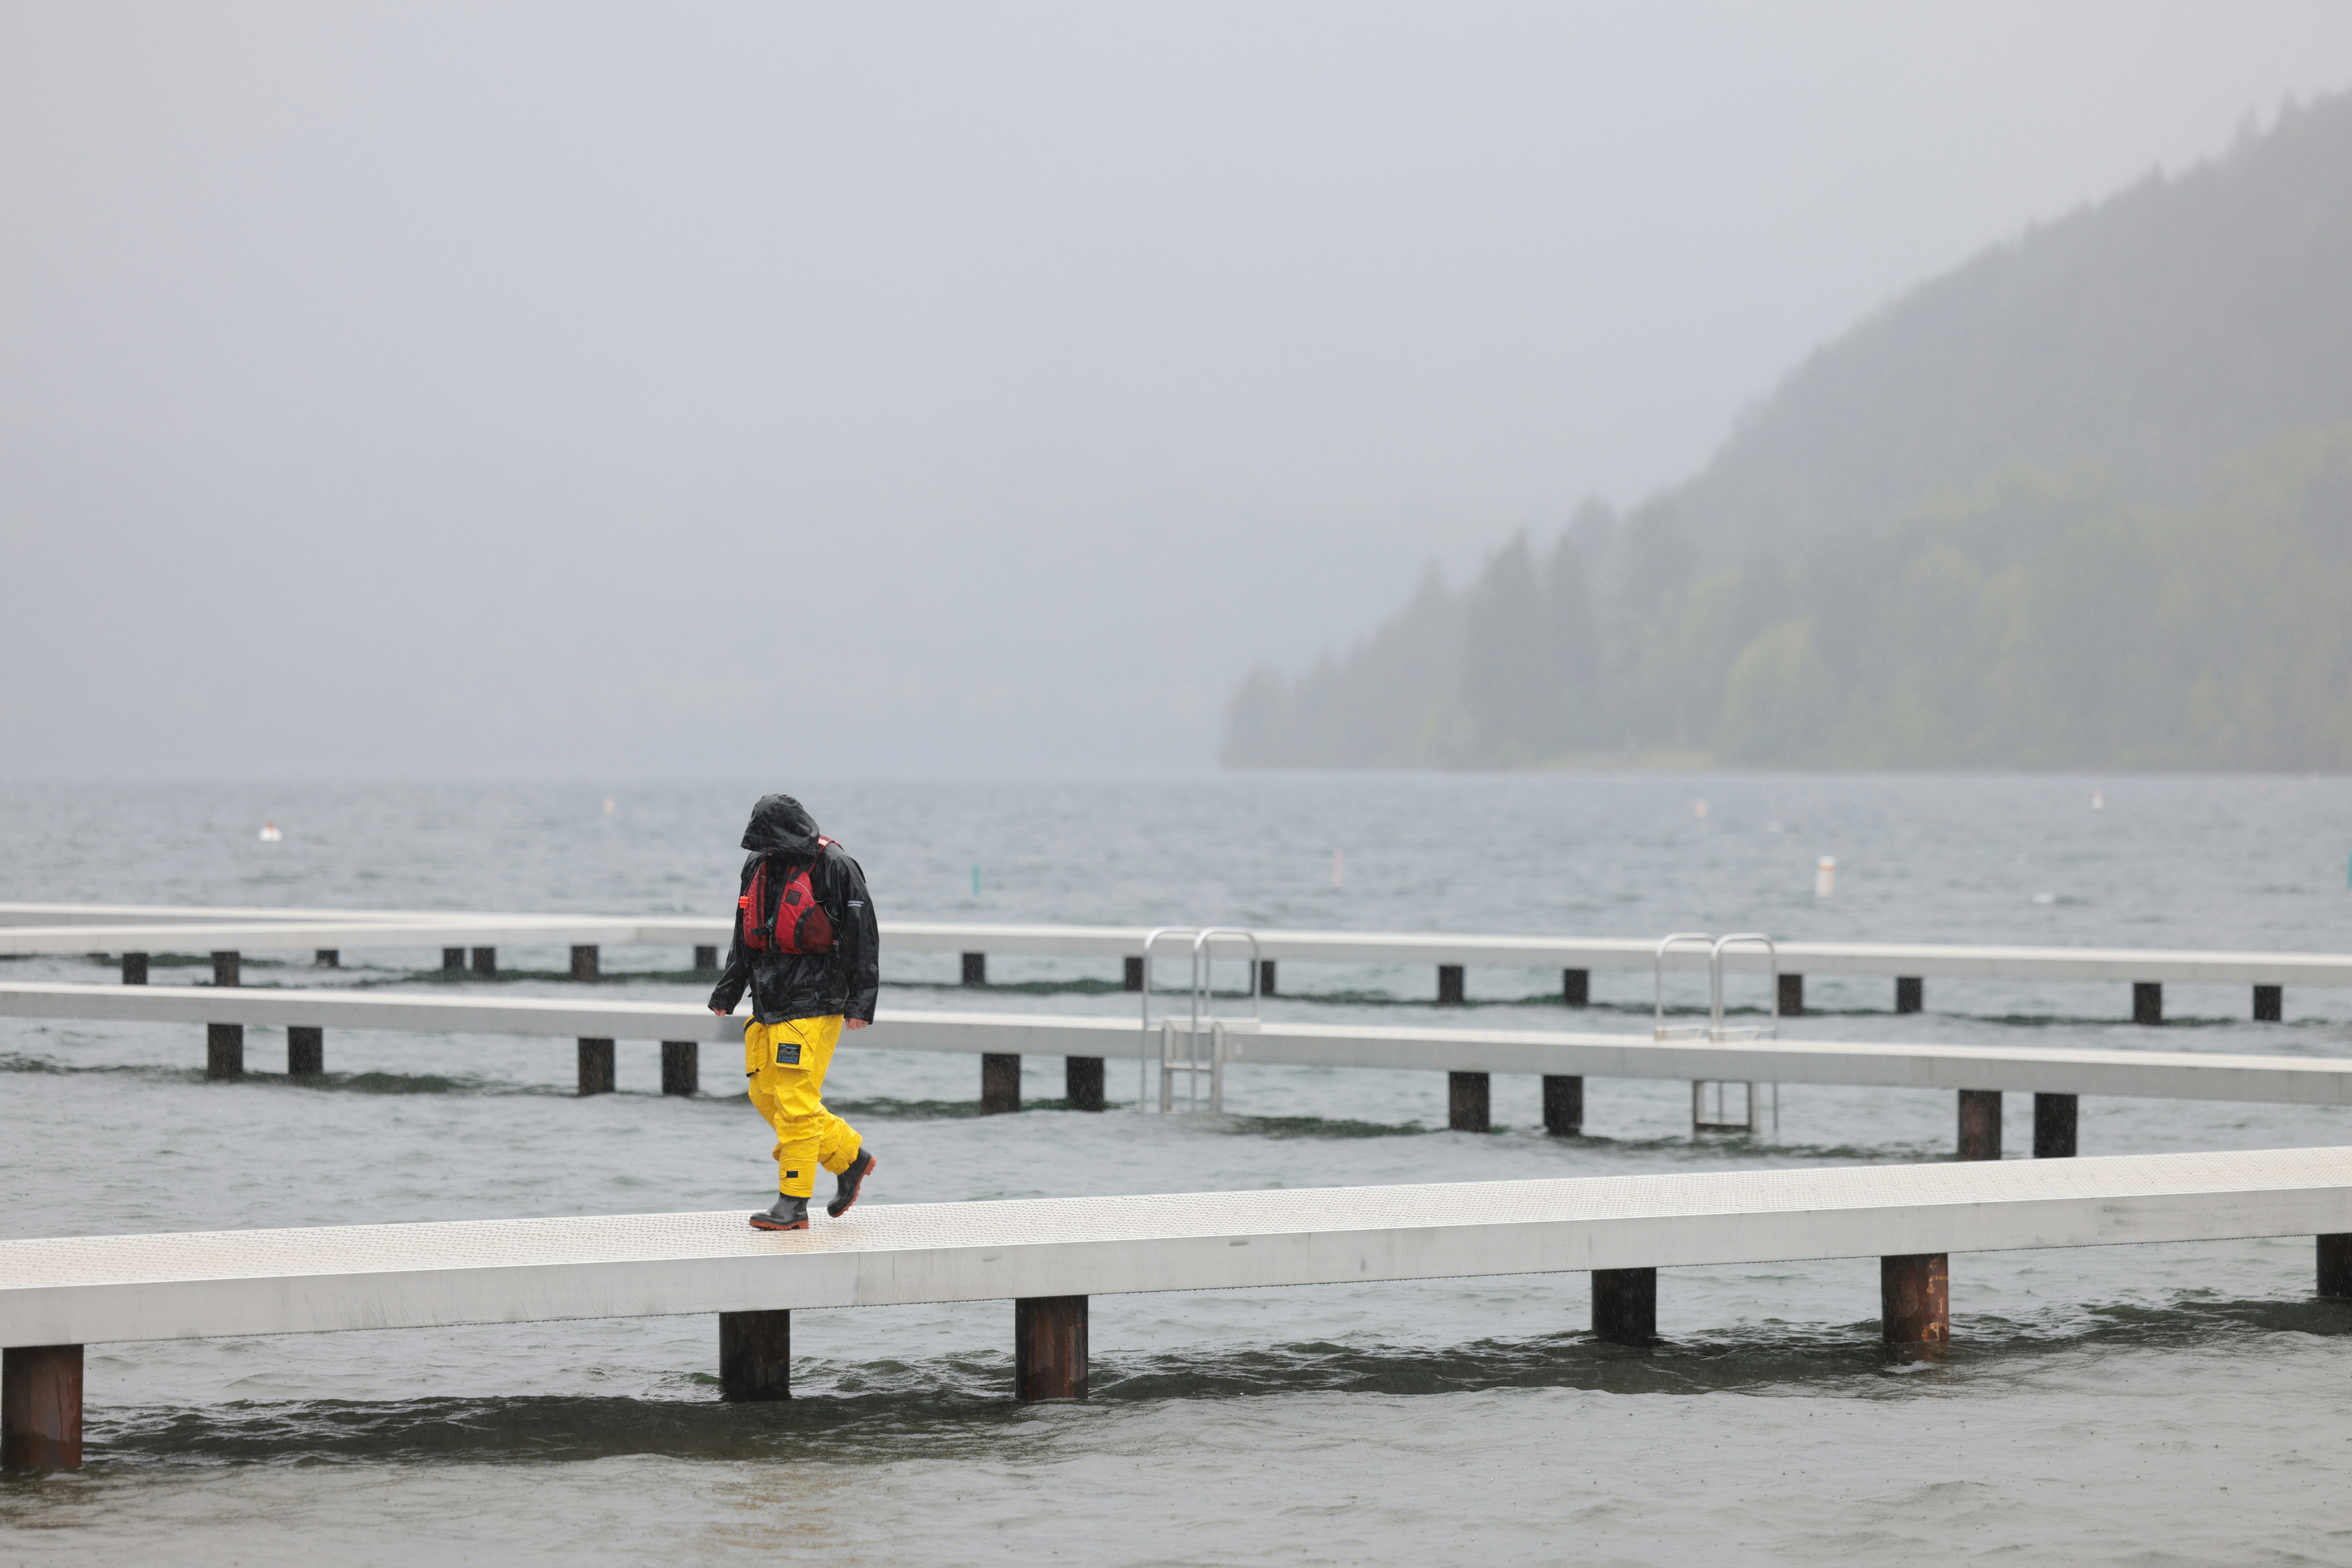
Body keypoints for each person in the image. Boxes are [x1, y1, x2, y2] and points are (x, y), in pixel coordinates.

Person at [708, 793, 880, 1230]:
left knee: (795, 1102)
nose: (765, 851)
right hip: (767, 1001)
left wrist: (862, 1001)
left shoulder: (837, 866)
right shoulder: (758, 868)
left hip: (815, 1001)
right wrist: (729, 990)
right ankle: (848, 1157)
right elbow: (743, 933)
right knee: (765, 1094)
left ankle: (793, 1201)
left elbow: (864, 936)